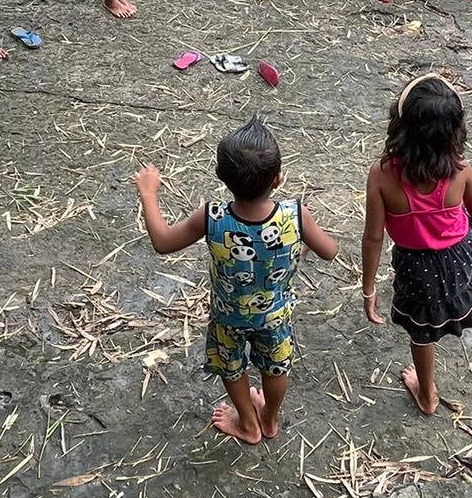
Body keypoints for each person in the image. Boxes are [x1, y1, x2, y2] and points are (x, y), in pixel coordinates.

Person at [134, 119, 339, 445]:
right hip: (275, 316)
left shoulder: (212, 216)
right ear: (278, 178)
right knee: (276, 367)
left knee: (232, 366)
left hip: (228, 316)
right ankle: (269, 420)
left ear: (220, 176)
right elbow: (330, 250)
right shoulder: (296, 215)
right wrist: (299, 240)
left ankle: (247, 423)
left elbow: (162, 241)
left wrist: (148, 193)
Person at [362, 75, 472, 416]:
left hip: (416, 268)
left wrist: (369, 289)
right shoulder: (461, 171)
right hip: (459, 259)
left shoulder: (382, 175)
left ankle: (427, 392)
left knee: (421, 330)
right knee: (454, 281)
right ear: (455, 132)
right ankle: (457, 304)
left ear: (399, 127)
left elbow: (374, 237)